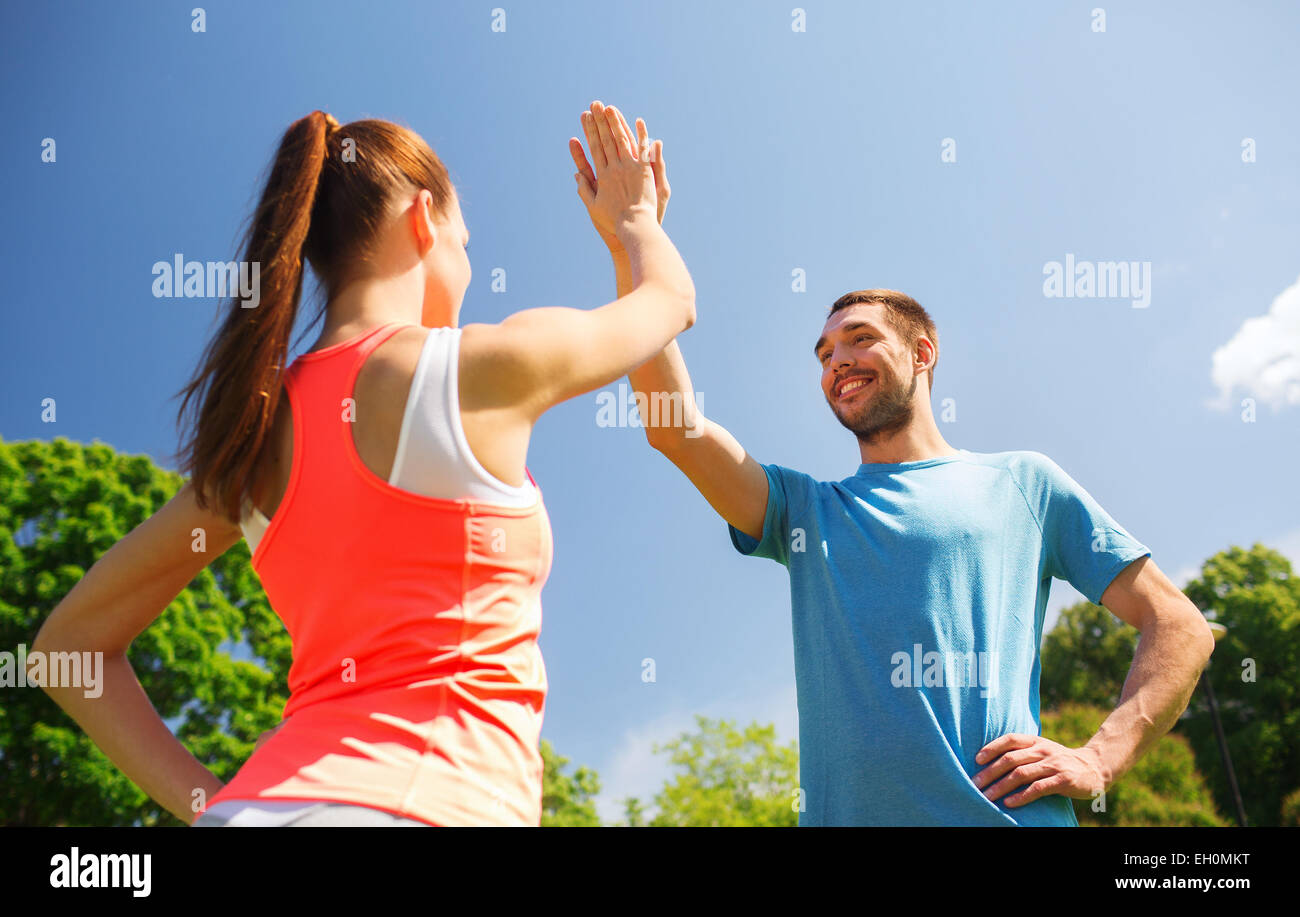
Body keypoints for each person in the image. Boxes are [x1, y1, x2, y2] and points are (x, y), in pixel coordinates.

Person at [32, 101, 692, 827]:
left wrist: (215, 804)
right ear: (423, 219)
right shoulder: (478, 365)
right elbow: (670, 301)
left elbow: (68, 649)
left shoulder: (249, 441)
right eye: (465, 243)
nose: (468, 268)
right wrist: (635, 223)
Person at [573, 141, 1216, 825]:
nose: (836, 361)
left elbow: (1179, 625)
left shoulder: (1023, 483)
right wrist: (633, 242)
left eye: (858, 338)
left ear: (922, 353)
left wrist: (1099, 756)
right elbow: (676, 428)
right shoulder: (807, 510)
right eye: (824, 354)